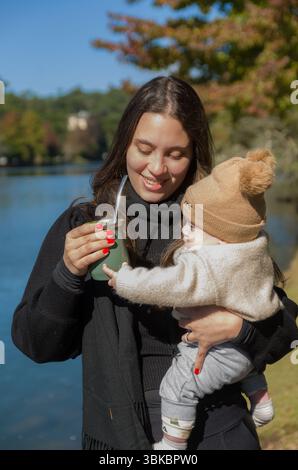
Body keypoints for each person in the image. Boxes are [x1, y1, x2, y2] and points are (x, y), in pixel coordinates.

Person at [11, 76, 298, 450]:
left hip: (216, 434)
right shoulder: (84, 223)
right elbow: (36, 344)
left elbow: (286, 326)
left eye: (175, 153)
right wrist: (67, 275)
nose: (157, 168)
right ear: (124, 144)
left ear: (194, 153)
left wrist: (238, 329)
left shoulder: (216, 222)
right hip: (113, 441)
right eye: (144, 148)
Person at [102, 148, 280, 450]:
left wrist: (126, 280)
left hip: (219, 353)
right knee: (245, 367)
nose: (184, 230)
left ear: (223, 237)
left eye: (193, 226)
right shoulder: (252, 249)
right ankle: (261, 398)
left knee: (177, 385)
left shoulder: (208, 265)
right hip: (249, 355)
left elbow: (168, 284)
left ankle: (172, 443)